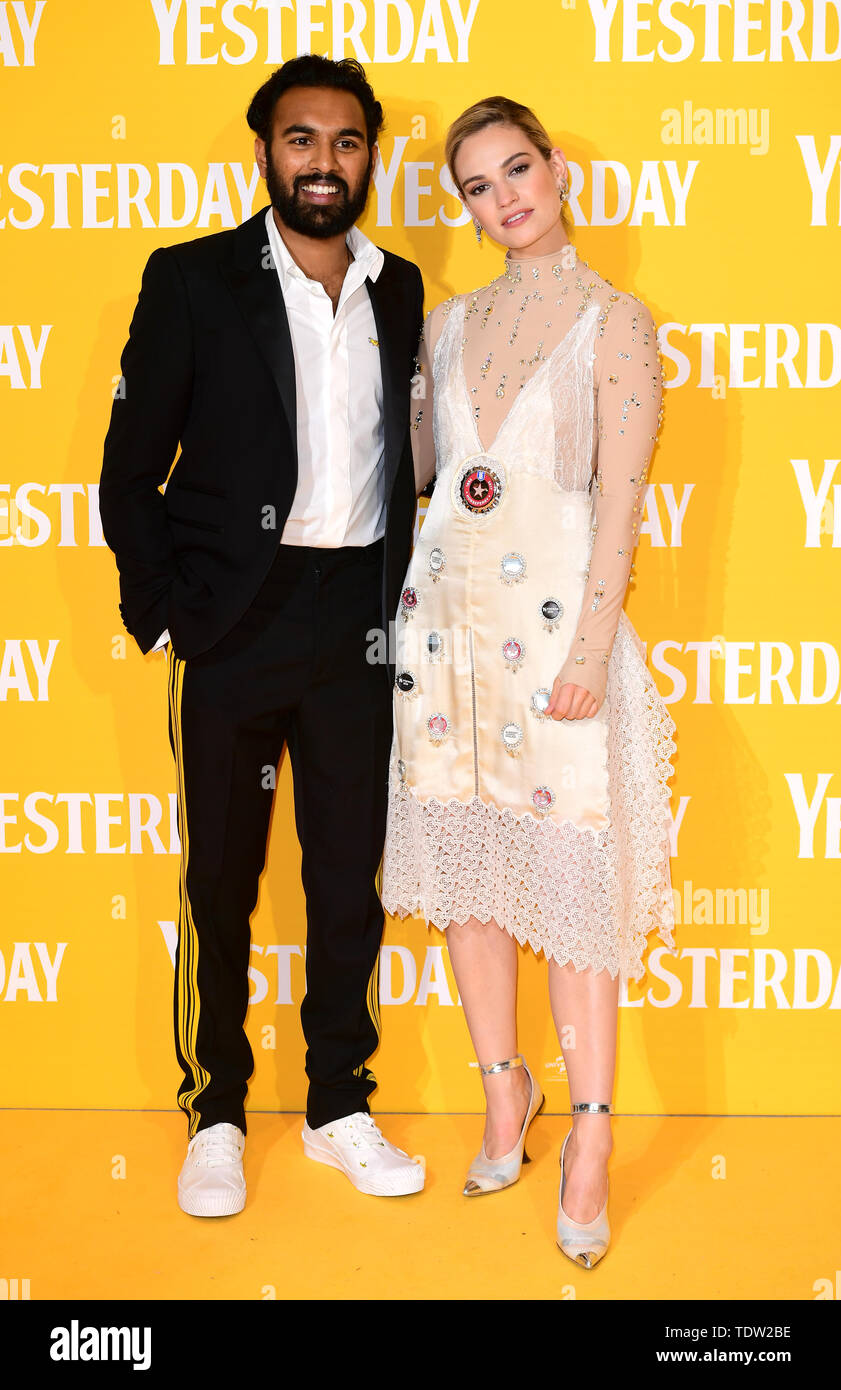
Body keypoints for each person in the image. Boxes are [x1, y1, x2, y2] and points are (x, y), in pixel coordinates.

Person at [99, 55, 426, 1215]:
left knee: (347, 883)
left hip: (357, 630)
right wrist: (167, 613)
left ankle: (338, 1101)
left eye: (345, 141)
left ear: (368, 155)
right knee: (222, 882)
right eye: (301, 140)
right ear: (265, 152)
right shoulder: (190, 280)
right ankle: (217, 1113)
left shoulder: (401, 287)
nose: (323, 162)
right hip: (238, 624)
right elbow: (129, 472)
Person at [381, 96, 678, 1265]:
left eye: (517, 169)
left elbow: (620, 506)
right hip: (444, 640)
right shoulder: (445, 328)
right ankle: (505, 1091)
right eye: (475, 185)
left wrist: (594, 653)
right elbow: (419, 475)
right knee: (470, 882)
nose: (503, 197)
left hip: (558, 646)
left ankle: (591, 1140)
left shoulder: (614, 322)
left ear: (555, 170)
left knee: (576, 901)